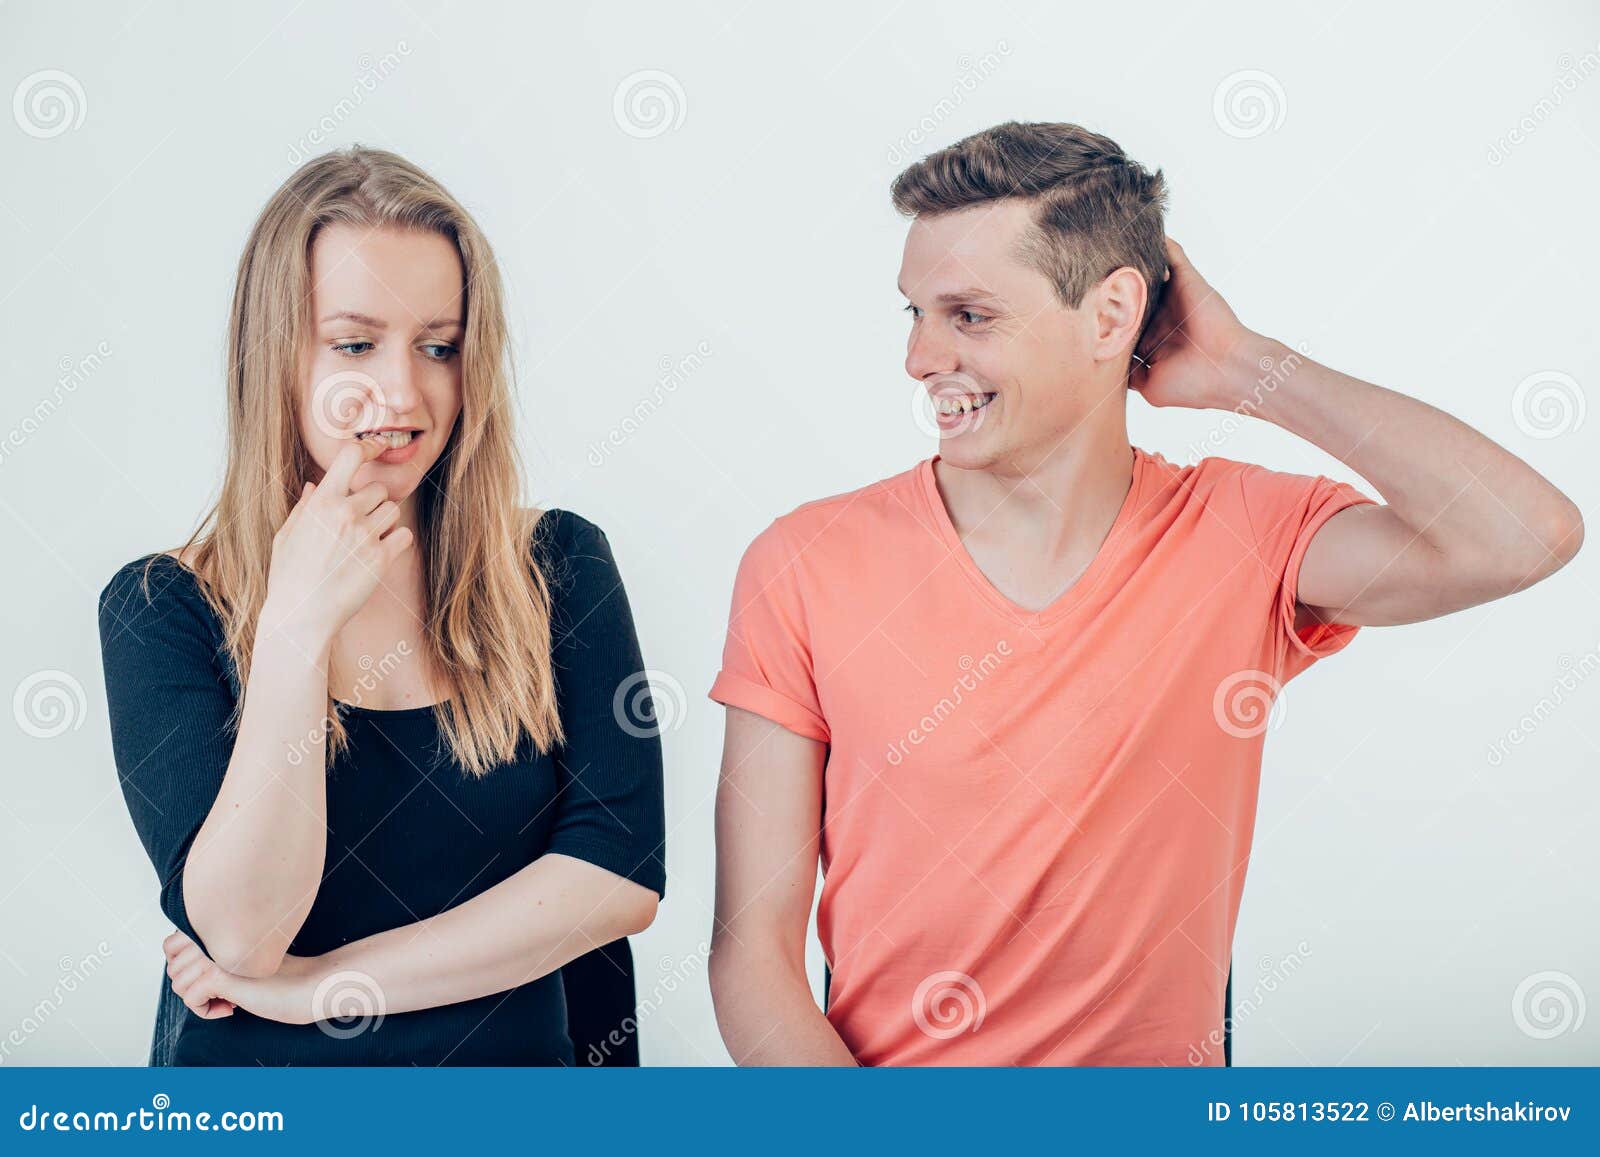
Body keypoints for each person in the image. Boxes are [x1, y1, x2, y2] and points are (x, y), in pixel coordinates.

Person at [706, 121, 1583, 1066]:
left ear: (1112, 313)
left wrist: (1251, 368)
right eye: (913, 312)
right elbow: (750, 958)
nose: (919, 359)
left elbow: (1522, 537)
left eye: (969, 315)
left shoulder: (1242, 532)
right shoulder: (805, 560)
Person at [97, 147, 665, 1066]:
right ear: (275, 353)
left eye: (438, 346)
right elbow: (241, 935)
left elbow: (615, 877)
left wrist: (315, 986)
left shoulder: (557, 563)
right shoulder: (162, 605)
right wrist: (293, 630)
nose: (403, 393)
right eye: (355, 344)